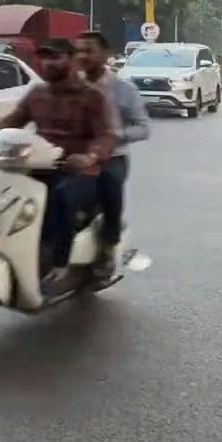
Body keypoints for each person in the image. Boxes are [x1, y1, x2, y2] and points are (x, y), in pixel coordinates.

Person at [0, 38, 115, 289]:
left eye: (55, 57)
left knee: (61, 196)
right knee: (2, 190)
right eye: (44, 57)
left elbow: (105, 136)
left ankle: (59, 264)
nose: (47, 63)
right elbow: (13, 120)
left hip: (79, 170)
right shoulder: (37, 94)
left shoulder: (91, 97)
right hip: (39, 165)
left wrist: (89, 156)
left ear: (71, 60)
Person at [76, 30, 149, 279]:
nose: (83, 56)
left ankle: (107, 248)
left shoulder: (123, 89)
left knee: (106, 193)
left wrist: (115, 135)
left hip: (112, 158)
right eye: (79, 51)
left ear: (104, 55)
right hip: (72, 155)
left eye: (89, 50)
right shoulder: (69, 85)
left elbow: (143, 127)